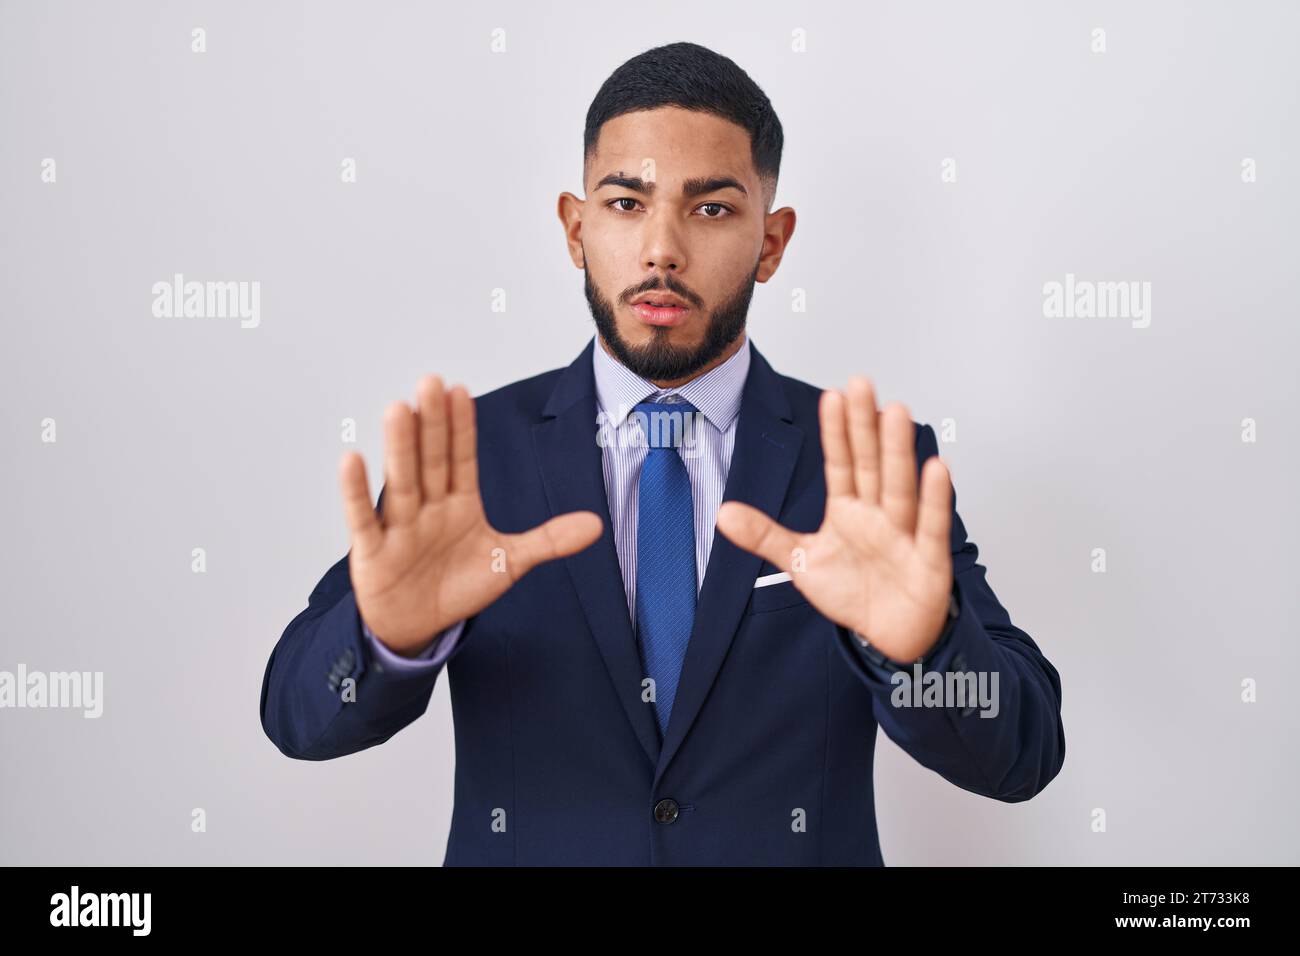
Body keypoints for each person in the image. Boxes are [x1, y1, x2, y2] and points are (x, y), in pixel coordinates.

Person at [259, 41, 1065, 866]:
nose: (661, 251)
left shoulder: (870, 466)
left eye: (711, 208)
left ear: (772, 242)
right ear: (576, 229)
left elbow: (1024, 752)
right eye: (625, 205)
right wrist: (382, 640)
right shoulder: (470, 458)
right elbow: (296, 714)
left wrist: (924, 652)